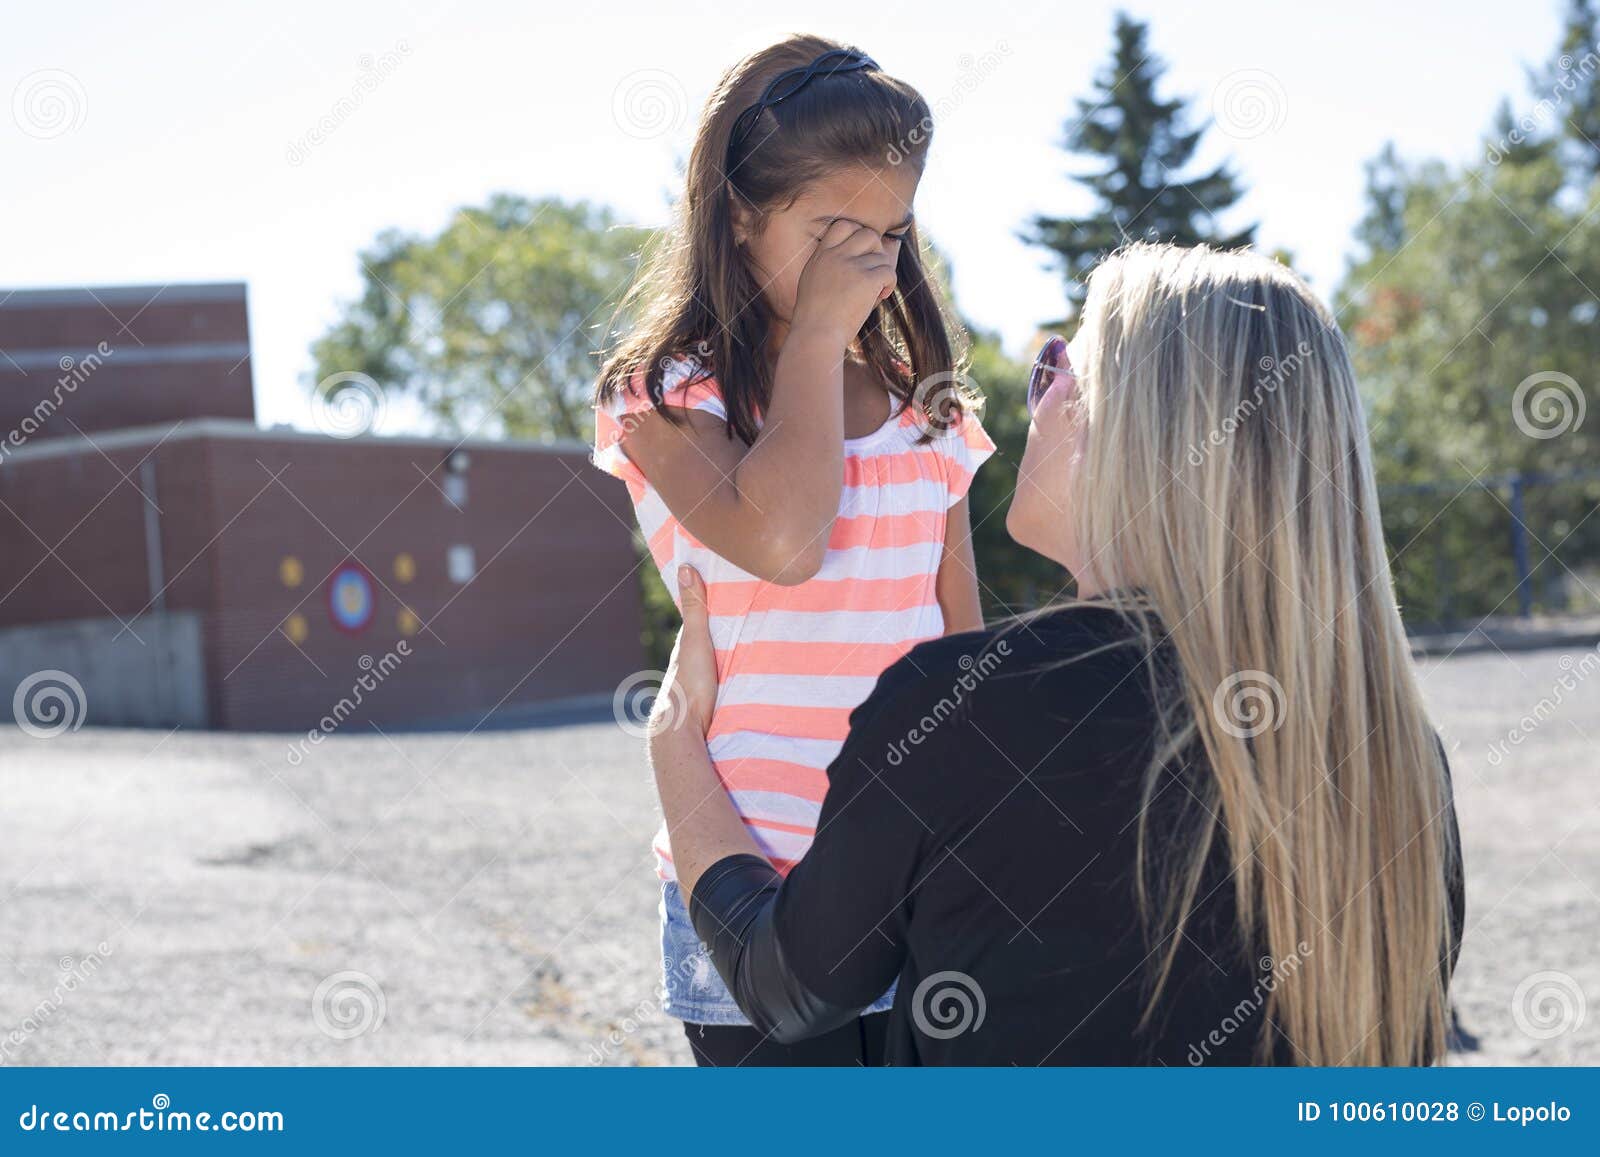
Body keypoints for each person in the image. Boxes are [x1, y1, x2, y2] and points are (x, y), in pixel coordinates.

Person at [650, 242, 1466, 1066]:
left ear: (1123, 428)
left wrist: (676, 743)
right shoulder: (1393, 758)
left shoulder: (966, 709)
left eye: (1055, 367)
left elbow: (785, 988)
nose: (1034, 403)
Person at [591, 35, 994, 1065]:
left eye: (889, 231)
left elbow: (962, 636)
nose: (865, 260)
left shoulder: (927, 414)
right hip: (748, 887)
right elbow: (784, 540)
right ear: (738, 215)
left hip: (924, 883)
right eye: (830, 230)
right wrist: (816, 340)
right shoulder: (667, 401)